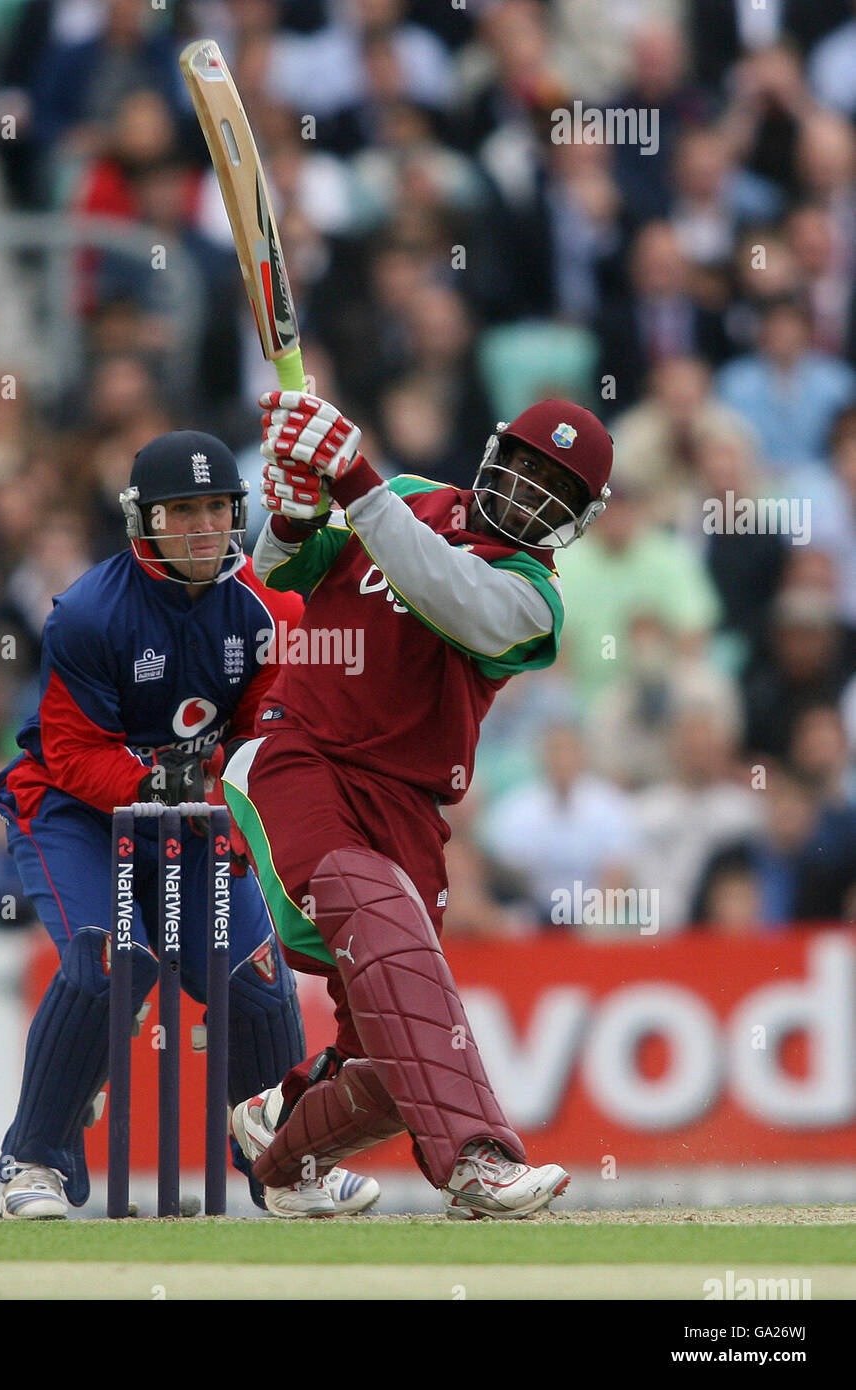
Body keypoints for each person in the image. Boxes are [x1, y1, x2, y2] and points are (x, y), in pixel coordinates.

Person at [223, 391, 613, 1218]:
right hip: (303, 760)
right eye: (530, 466)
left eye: (560, 488)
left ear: (578, 520)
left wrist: (351, 480)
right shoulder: (405, 497)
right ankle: (479, 1162)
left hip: (410, 808)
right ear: (496, 454)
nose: (534, 490)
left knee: (398, 1056)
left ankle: (282, 1140)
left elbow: (444, 590)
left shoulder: (532, 600)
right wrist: (292, 516)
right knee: (382, 923)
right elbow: (283, 571)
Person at [0, 430, 379, 1218]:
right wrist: (153, 781)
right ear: (144, 520)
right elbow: (68, 752)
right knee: (109, 964)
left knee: (256, 978)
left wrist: (218, 776)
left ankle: (284, 1167)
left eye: (217, 509)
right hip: (72, 813)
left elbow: (270, 718)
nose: (204, 528)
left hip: (192, 817)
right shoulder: (88, 617)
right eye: (183, 512)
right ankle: (34, 1159)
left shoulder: (272, 608)